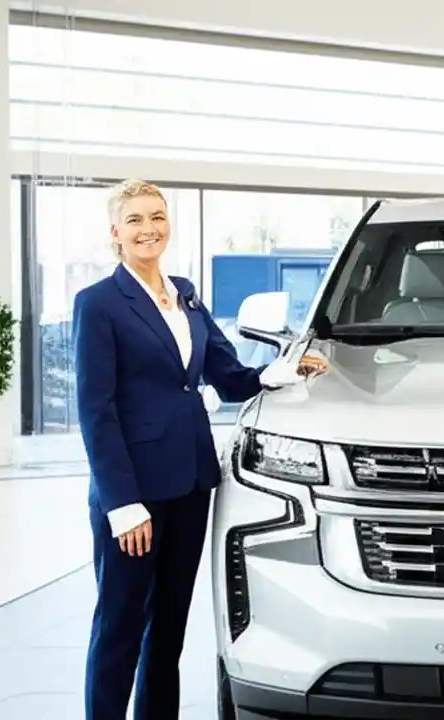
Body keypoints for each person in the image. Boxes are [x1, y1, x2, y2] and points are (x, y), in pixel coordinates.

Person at [76, 179, 328, 720]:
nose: (149, 229)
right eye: (136, 220)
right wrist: (122, 504)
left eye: (158, 216)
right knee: (119, 631)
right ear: (115, 233)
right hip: (134, 497)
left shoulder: (184, 291)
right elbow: (96, 410)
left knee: (167, 635)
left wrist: (281, 372)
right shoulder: (98, 304)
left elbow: (227, 376)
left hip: (191, 486)